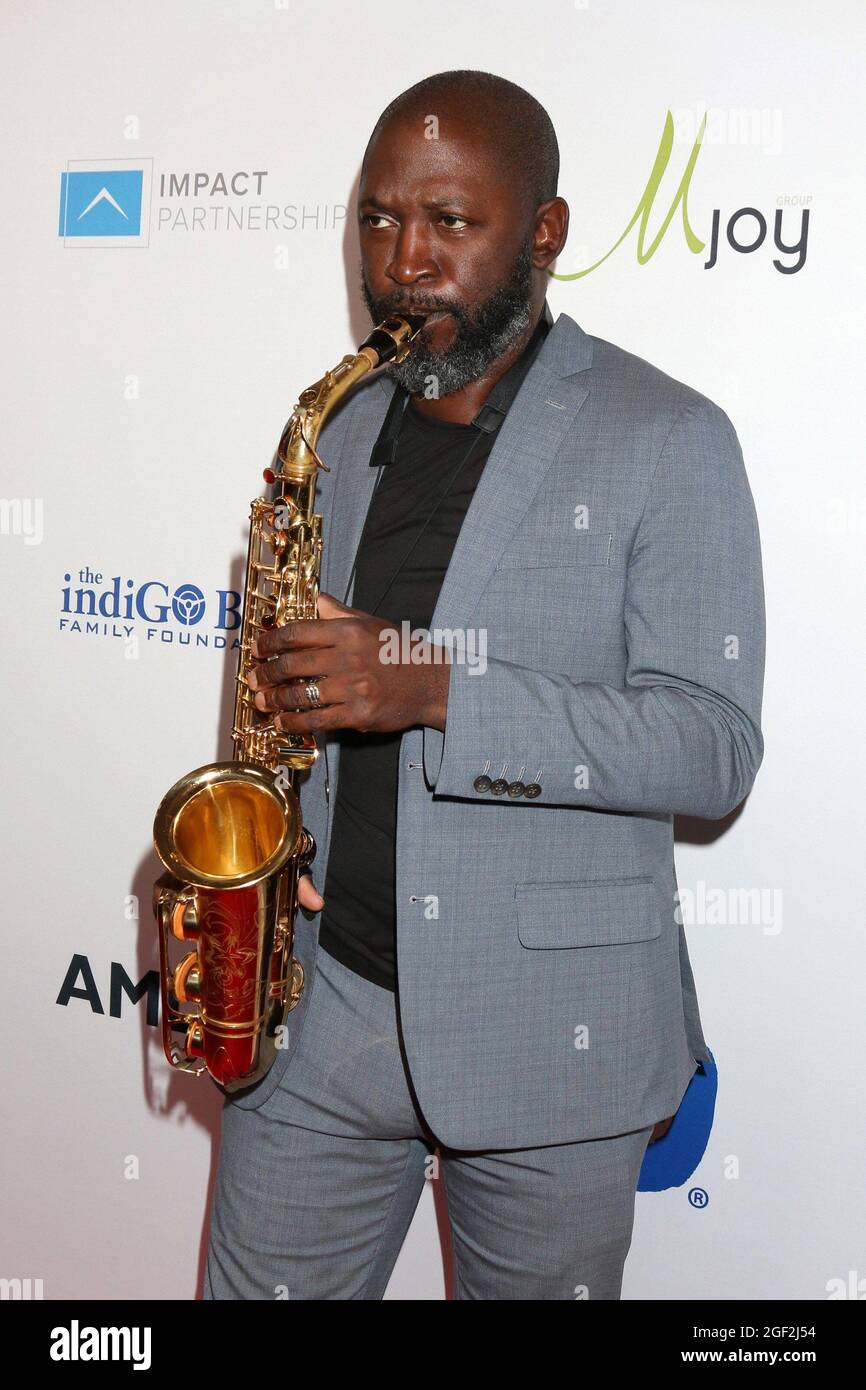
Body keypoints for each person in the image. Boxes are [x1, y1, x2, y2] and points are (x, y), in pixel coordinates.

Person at [203, 69, 765, 1301]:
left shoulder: (667, 436)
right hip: (318, 1014)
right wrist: (250, 870)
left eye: (449, 223)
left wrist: (433, 683)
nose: (403, 262)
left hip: (545, 1038)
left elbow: (711, 746)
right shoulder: (339, 429)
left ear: (545, 232)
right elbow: (287, 696)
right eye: (377, 219)